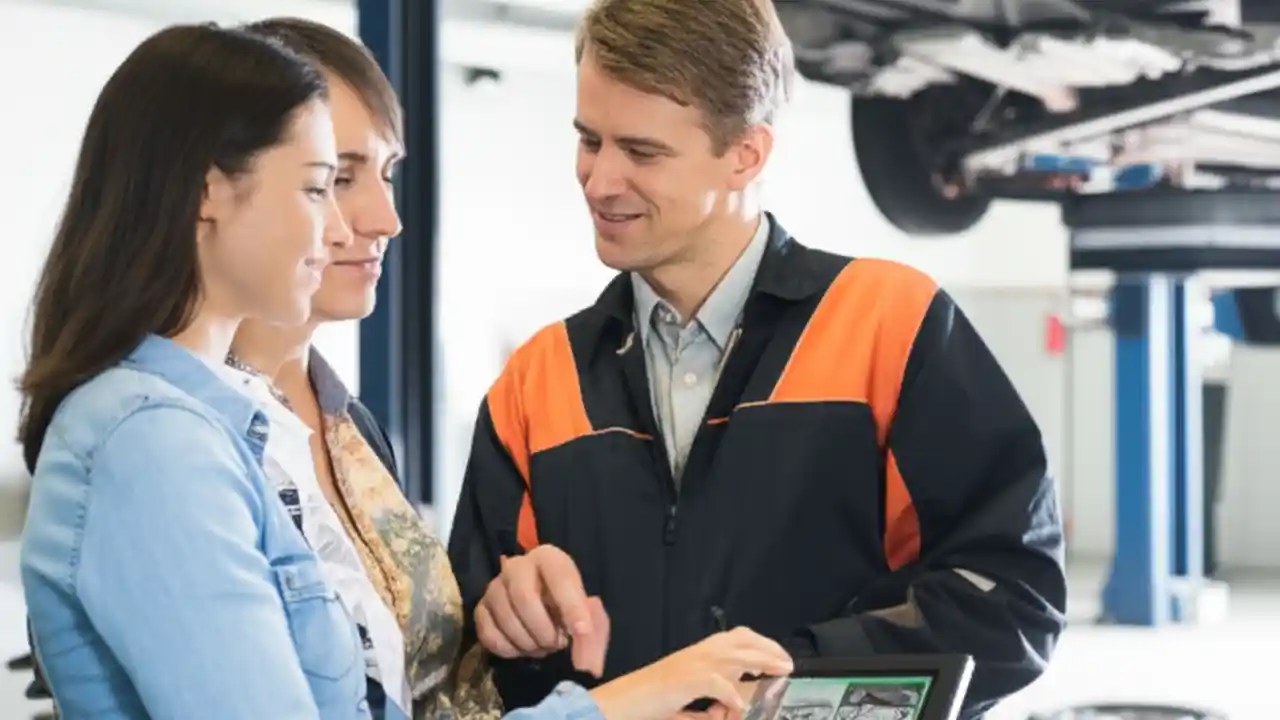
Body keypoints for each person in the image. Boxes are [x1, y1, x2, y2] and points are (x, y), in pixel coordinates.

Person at [446, 0, 1068, 718]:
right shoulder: (536, 380)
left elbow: (1009, 596)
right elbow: (469, 670)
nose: (599, 180)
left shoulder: (889, 325)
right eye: (590, 141)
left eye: (642, 152)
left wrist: (780, 683)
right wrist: (506, 626)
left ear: (747, 152)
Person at [166, 16, 790, 720]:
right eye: (333, 179)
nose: (383, 218)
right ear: (212, 193)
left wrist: (510, 623)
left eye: (387, 173)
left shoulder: (349, 428)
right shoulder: (174, 439)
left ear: (747, 154)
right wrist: (620, 704)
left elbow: (428, 691)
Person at [17, 23, 360, 718]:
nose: (342, 231)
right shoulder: (153, 445)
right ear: (208, 190)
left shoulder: (206, 423)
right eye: (318, 188)